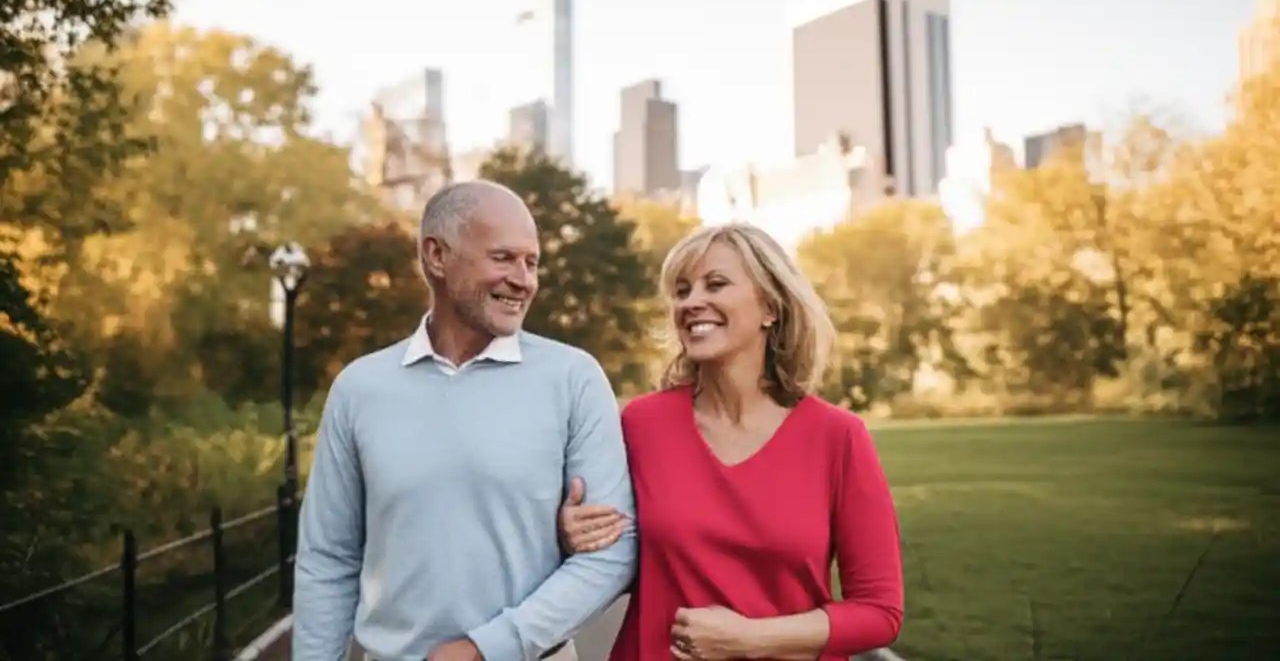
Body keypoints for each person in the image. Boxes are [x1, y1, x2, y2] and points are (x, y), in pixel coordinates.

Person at [293, 180, 638, 661]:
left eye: (532, 262)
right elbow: (328, 560)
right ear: (436, 256)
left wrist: (485, 648)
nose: (524, 280)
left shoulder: (574, 379)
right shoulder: (359, 389)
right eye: (503, 258)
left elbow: (613, 553)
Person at [558, 223, 904, 660]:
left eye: (715, 284)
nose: (691, 303)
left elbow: (880, 612)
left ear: (770, 308)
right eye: (682, 291)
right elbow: (613, 558)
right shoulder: (642, 424)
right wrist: (573, 536)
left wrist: (748, 640)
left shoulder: (838, 438)